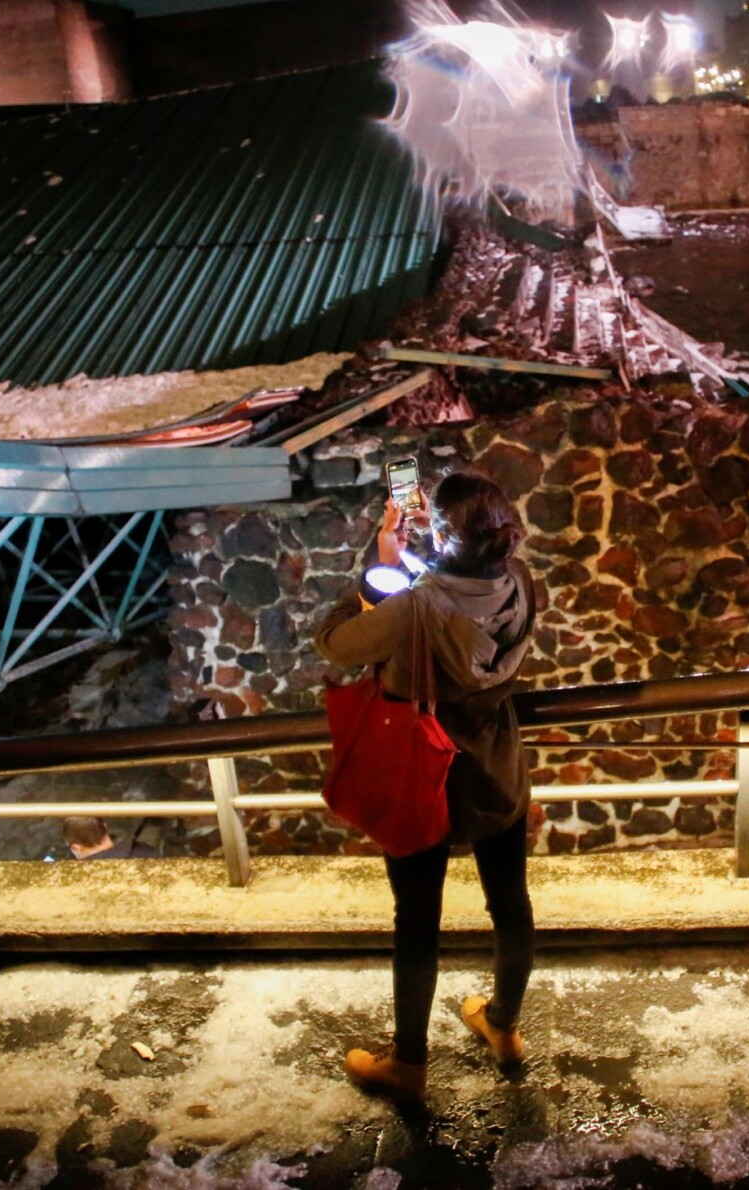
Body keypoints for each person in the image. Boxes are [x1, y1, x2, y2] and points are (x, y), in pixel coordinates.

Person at [314, 468, 541, 1099]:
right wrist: (420, 563)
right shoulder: (521, 582)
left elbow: (334, 644)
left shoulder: (410, 606)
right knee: (510, 903)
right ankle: (503, 1026)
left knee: (417, 919)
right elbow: (463, 601)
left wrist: (378, 570)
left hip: (423, 776)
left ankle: (409, 1064)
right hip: (495, 769)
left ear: (441, 536)